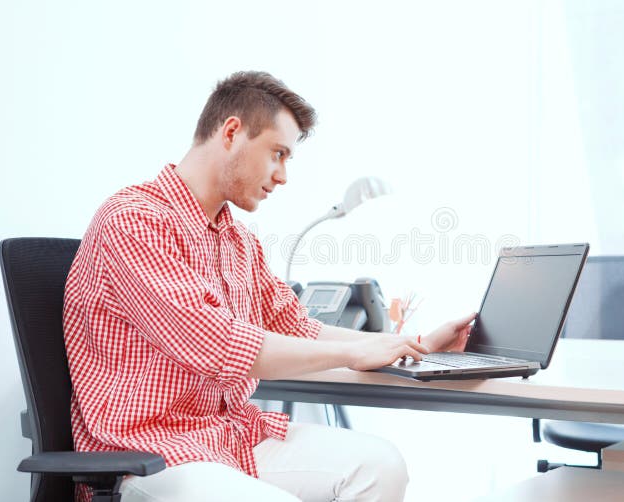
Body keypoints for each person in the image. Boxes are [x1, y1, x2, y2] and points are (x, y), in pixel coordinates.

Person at [63, 71, 476, 502]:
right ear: (232, 132)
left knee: (380, 467)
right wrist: (354, 351)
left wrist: (416, 344)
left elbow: (297, 328)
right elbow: (217, 345)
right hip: (148, 454)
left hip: (227, 437)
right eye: (278, 154)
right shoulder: (134, 221)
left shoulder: (239, 241)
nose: (282, 176)